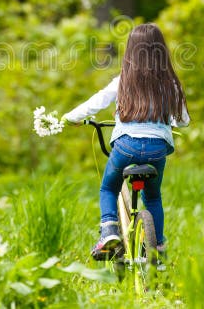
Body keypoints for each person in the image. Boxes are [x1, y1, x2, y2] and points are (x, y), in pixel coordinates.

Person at [62, 23, 190, 260]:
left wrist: (70, 118)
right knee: (152, 197)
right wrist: (167, 119)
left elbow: (95, 103)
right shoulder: (170, 84)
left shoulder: (122, 81)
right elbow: (183, 121)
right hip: (156, 150)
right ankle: (158, 248)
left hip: (126, 147)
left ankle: (109, 231)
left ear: (131, 51)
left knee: (108, 187)